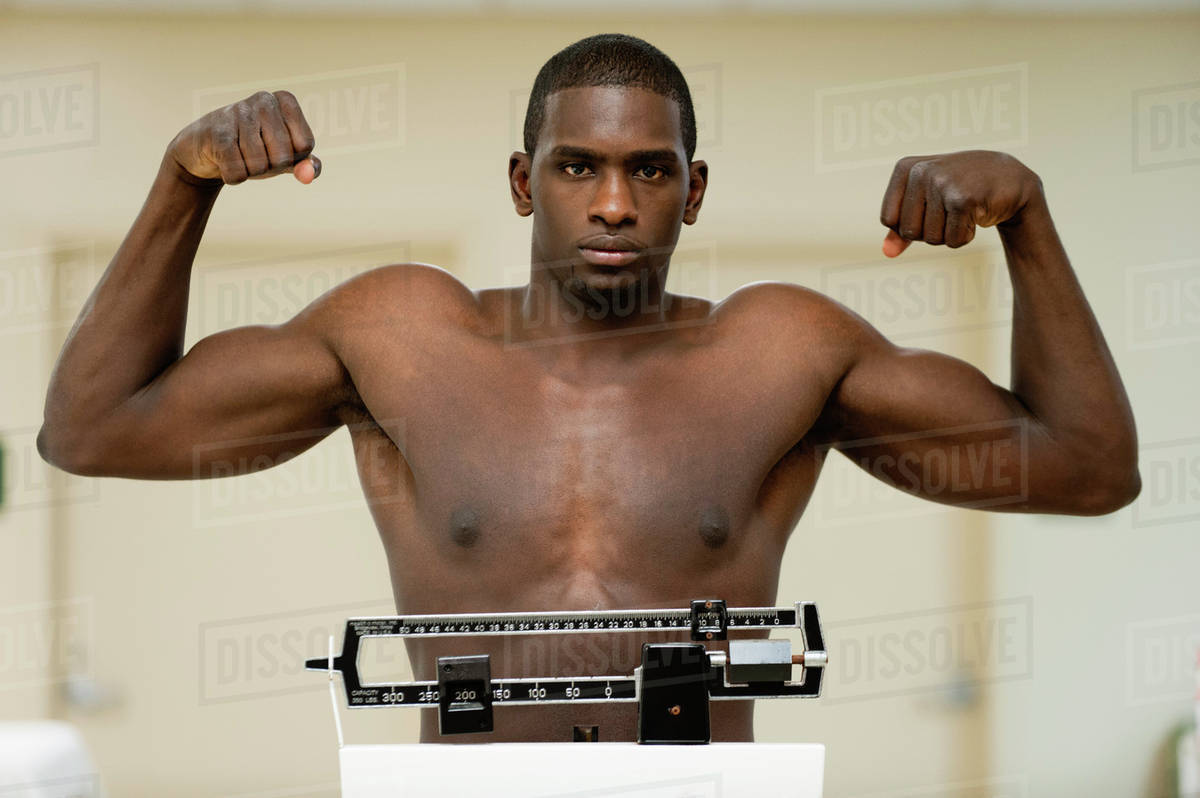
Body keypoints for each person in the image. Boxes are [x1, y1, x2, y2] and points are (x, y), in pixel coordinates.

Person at [37, 34, 1140, 743]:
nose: (614, 203)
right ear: (525, 182)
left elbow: (1090, 470)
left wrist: (1027, 224)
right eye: (579, 167)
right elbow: (90, 428)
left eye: (648, 170)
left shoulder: (782, 348)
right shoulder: (403, 334)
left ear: (692, 191)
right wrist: (184, 183)